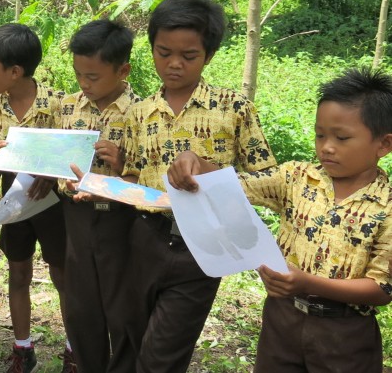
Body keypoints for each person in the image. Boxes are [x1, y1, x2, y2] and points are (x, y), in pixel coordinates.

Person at [168, 68, 392, 372]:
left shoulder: (387, 205)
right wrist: (194, 162)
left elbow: (381, 289)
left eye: (342, 137)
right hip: (281, 320)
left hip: (344, 335)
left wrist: (308, 283)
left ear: (383, 144)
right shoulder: (296, 178)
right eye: (320, 134)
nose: (327, 146)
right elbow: (235, 185)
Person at [120, 0, 276, 373]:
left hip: (204, 245)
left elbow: (269, 182)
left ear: (208, 55)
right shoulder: (138, 113)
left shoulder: (233, 109)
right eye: (163, 52)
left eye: (188, 56)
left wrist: (210, 172)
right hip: (144, 237)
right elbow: (132, 175)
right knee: (133, 334)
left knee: (163, 354)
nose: (174, 64)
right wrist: (101, 185)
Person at [0, 23, 70, 373]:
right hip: (13, 199)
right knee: (18, 273)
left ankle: (74, 350)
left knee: (62, 275)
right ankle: (22, 348)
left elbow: (71, 154)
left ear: (14, 72)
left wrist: (49, 173)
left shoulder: (59, 104)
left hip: (51, 201)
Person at [57, 19, 140, 373]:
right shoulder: (67, 106)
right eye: (78, 74)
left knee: (121, 306)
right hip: (74, 217)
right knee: (80, 304)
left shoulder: (142, 113)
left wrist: (122, 164)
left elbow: (148, 174)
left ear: (123, 70)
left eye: (93, 77)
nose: (84, 84)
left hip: (121, 219)